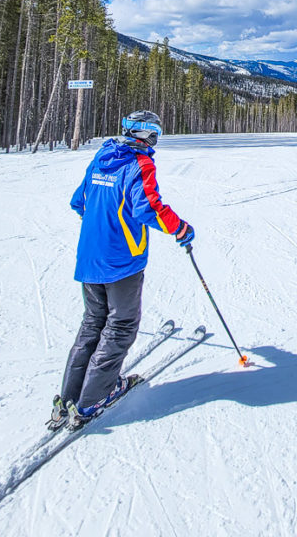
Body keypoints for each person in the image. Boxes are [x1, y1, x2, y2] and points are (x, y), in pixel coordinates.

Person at [49, 110, 194, 430]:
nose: (156, 137)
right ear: (145, 135)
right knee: (121, 325)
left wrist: (101, 223)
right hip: (122, 260)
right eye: (154, 131)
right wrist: (180, 229)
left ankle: (69, 396)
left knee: (92, 324)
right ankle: (93, 398)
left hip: (89, 258)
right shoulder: (140, 164)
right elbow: (149, 208)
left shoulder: (102, 157)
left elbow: (79, 201)